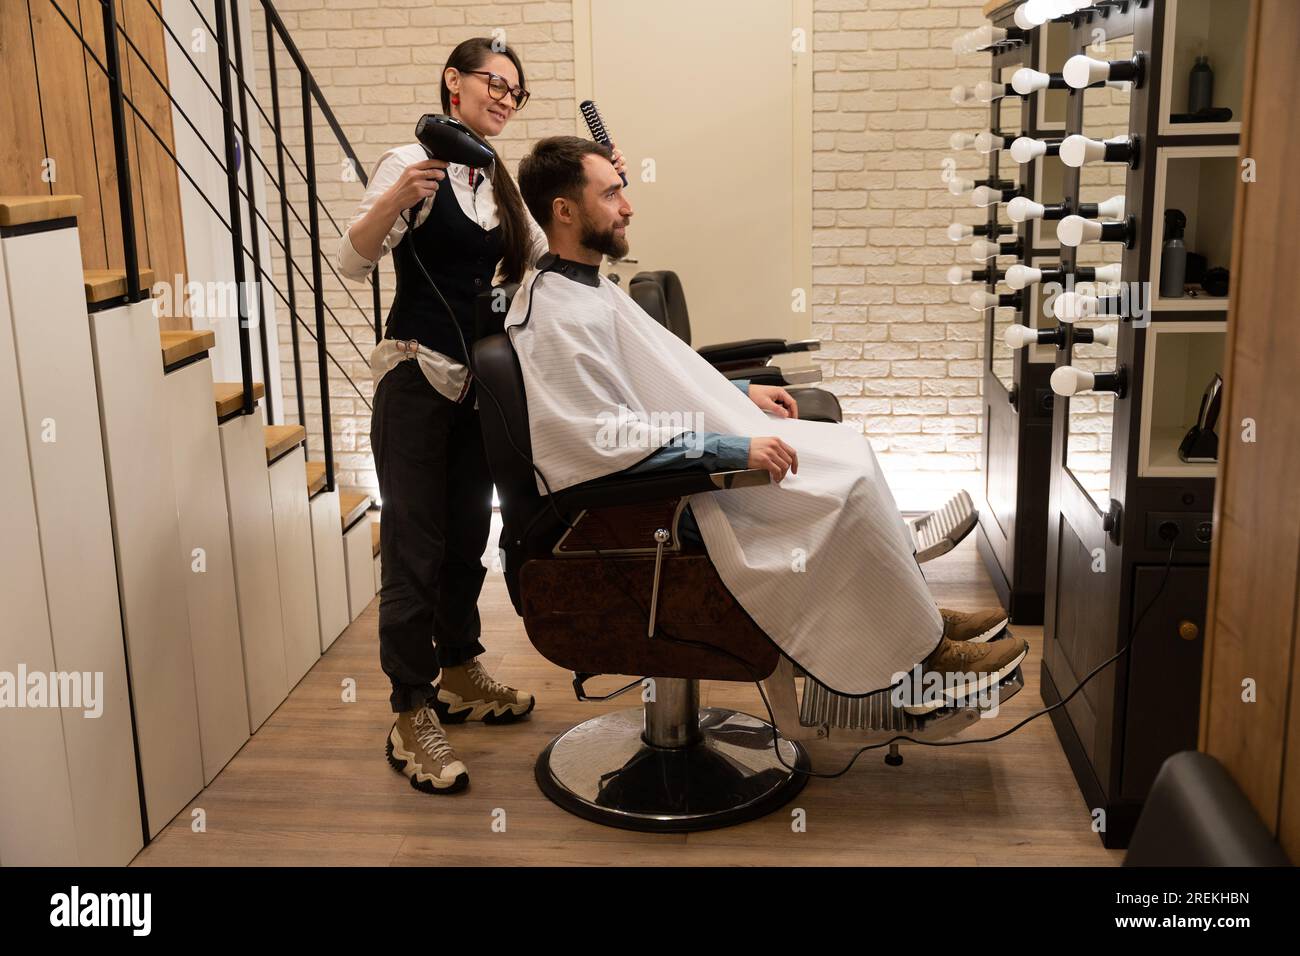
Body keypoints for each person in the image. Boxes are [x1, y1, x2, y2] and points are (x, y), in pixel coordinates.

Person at [505, 136, 1027, 710]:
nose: (628, 207)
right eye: (610, 194)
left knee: (846, 448)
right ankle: (915, 661)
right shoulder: (555, 314)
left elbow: (660, 377)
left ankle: (913, 619)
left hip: (683, 458)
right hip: (657, 502)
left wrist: (738, 392)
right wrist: (728, 451)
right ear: (564, 210)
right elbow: (595, 439)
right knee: (841, 487)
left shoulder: (589, 286)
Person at [337, 42, 627, 795]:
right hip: (417, 378)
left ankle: (461, 670)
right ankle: (410, 707)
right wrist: (395, 200)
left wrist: (599, 195)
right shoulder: (410, 163)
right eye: (493, 83)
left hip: (480, 390)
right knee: (415, 547)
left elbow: (544, 261)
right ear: (453, 84)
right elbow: (351, 260)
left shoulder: (499, 181)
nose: (504, 97)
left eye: (516, 92)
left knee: (471, 534)